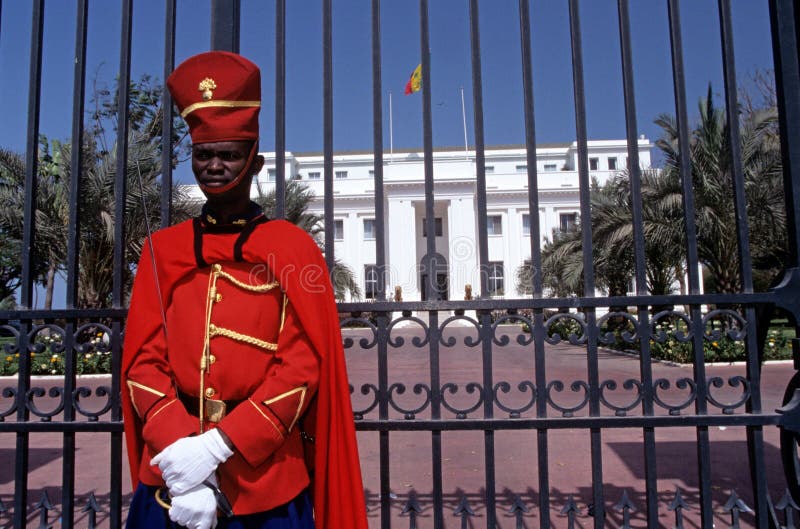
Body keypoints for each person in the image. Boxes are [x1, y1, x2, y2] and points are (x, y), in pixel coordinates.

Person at [121, 51, 368, 529]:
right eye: (203, 154)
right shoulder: (161, 250)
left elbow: (302, 365)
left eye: (229, 154)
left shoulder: (291, 249)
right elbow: (142, 362)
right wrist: (186, 463)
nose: (214, 166)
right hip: (173, 473)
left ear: (254, 163)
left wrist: (217, 448)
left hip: (264, 479)